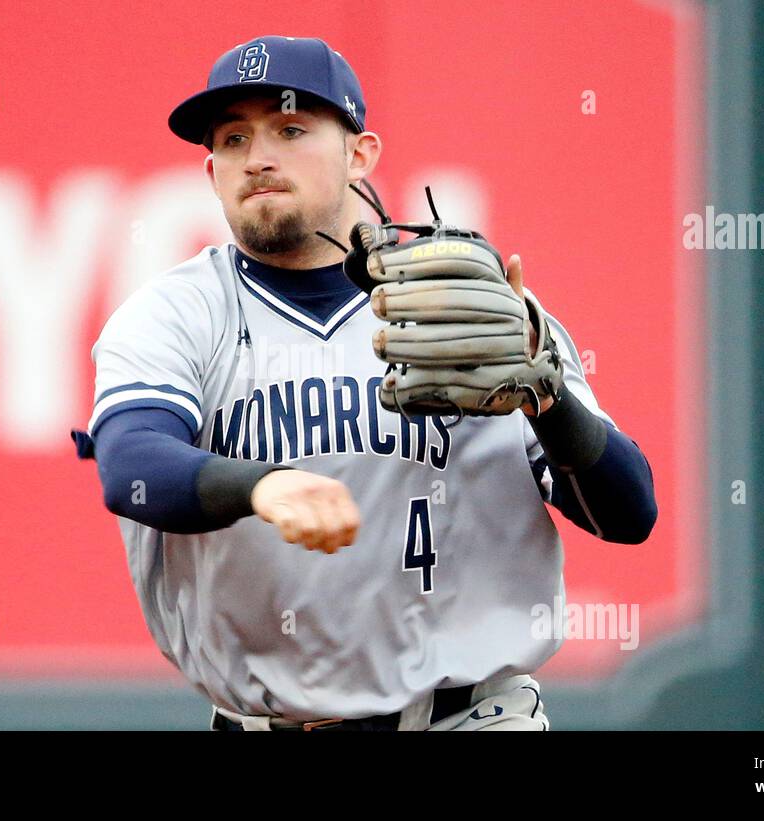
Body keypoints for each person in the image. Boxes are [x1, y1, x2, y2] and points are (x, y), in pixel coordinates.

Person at [71, 35, 657, 731]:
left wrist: (548, 397)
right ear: (211, 173)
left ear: (361, 154)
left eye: (292, 129)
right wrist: (262, 484)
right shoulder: (177, 313)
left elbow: (629, 513)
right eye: (233, 138)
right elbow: (131, 465)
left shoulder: (469, 305)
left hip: (469, 718)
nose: (259, 156)